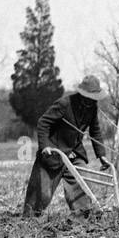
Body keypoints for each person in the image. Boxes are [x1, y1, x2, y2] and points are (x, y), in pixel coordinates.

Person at [22, 75, 113, 217]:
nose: (91, 100)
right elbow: (43, 122)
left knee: (81, 182)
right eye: (89, 97)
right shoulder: (65, 104)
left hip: (74, 152)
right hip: (54, 152)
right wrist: (45, 145)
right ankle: (29, 218)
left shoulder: (92, 108)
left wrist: (101, 156)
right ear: (82, 94)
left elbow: (95, 131)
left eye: (94, 97)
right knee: (42, 193)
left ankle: (83, 217)